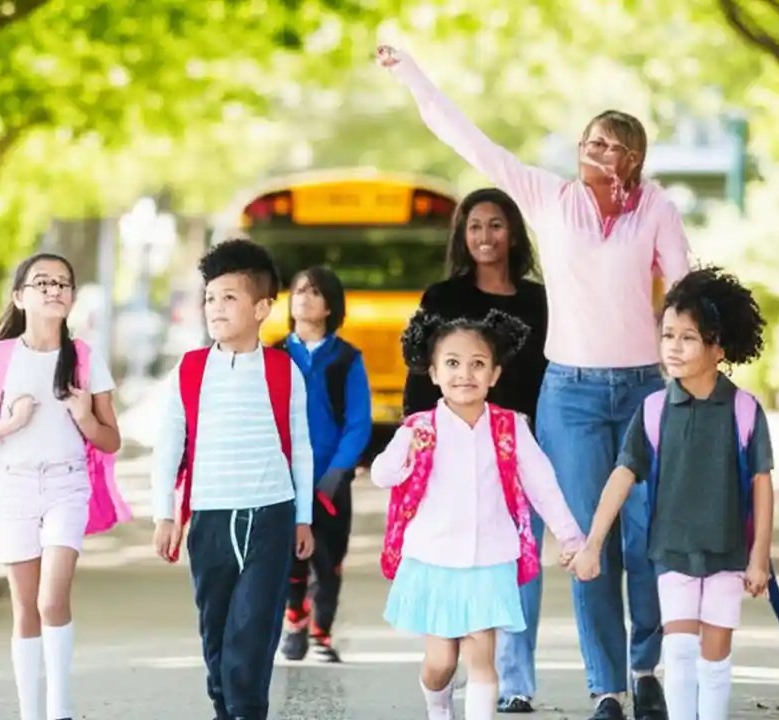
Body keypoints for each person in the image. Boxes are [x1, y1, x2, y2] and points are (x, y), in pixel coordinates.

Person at [379, 43, 692, 719]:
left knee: (644, 538)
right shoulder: (549, 198)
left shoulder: (657, 208)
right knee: (590, 541)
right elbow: (470, 139)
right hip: (573, 396)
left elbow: (686, 288)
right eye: (588, 141)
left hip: (643, 390)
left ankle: (647, 667)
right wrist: (414, 77)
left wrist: (699, 371)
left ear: (632, 158)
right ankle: (605, 686)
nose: (594, 152)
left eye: (609, 144)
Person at [571, 266, 779, 720]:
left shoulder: (744, 410)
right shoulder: (653, 410)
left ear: (718, 347)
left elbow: (762, 486)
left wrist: (758, 558)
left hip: (727, 555)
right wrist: (593, 543)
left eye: (687, 337)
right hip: (671, 554)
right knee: (679, 653)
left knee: (714, 661)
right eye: (667, 334)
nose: (673, 346)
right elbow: (621, 475)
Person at [372, 308, 586, 720]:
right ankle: (439, 707)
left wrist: (572, 538)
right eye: (451, 363)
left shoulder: (510, 427)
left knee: (482, 659)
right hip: (434, 561)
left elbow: (543, 483)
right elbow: (382, 475)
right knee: (441, 664)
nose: (464, 374)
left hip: (489, 560)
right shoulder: (420, 427)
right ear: (433, 373)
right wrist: (406, 452)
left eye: (477, 364)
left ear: (495, 373)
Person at [0, 252, 129, 720]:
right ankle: (31, 712)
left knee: (53, 599)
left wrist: (85, 415)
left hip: (67, 486)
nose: (55, 290)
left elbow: (111, 441)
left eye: (63, 283)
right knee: (25, 607)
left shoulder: (85, 358)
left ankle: (59, 710)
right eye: (43, 282)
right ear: (20, 296)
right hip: (13, 489)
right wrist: (9, 424)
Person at [149, 238, 315, 720]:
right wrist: (165, 514)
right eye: (209, 298)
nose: (215, 308)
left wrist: (302, 518)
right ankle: (226, 707)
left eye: (230, 298)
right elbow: (170, 449)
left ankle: (247, 710)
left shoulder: (284, 370)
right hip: (210, 519)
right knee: (216, 629)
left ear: (262, 307)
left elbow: (300, 448)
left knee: (255, 628)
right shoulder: (192, 370)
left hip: (270, 516)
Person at [274, 266, 373, 662]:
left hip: (330, 479)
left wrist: (339, 470)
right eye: (298, 291)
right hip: (284, 478)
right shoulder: (275, 356)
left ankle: (321, 633)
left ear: (330, 305)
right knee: (288, 556)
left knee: (328, 558)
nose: (303, 298)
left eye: (314, 292)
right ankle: (294, 619)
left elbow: (358, 422)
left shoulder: (346, 359)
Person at [402, 187, 547, 430]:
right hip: (456, 435)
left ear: (513, 235)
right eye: (475, 227)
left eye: (495, 226)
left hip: (526, 436)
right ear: (463, 236)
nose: (485, 237)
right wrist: (417, 431)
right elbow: (421, 377)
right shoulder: (443, 297)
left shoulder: (540, 300)